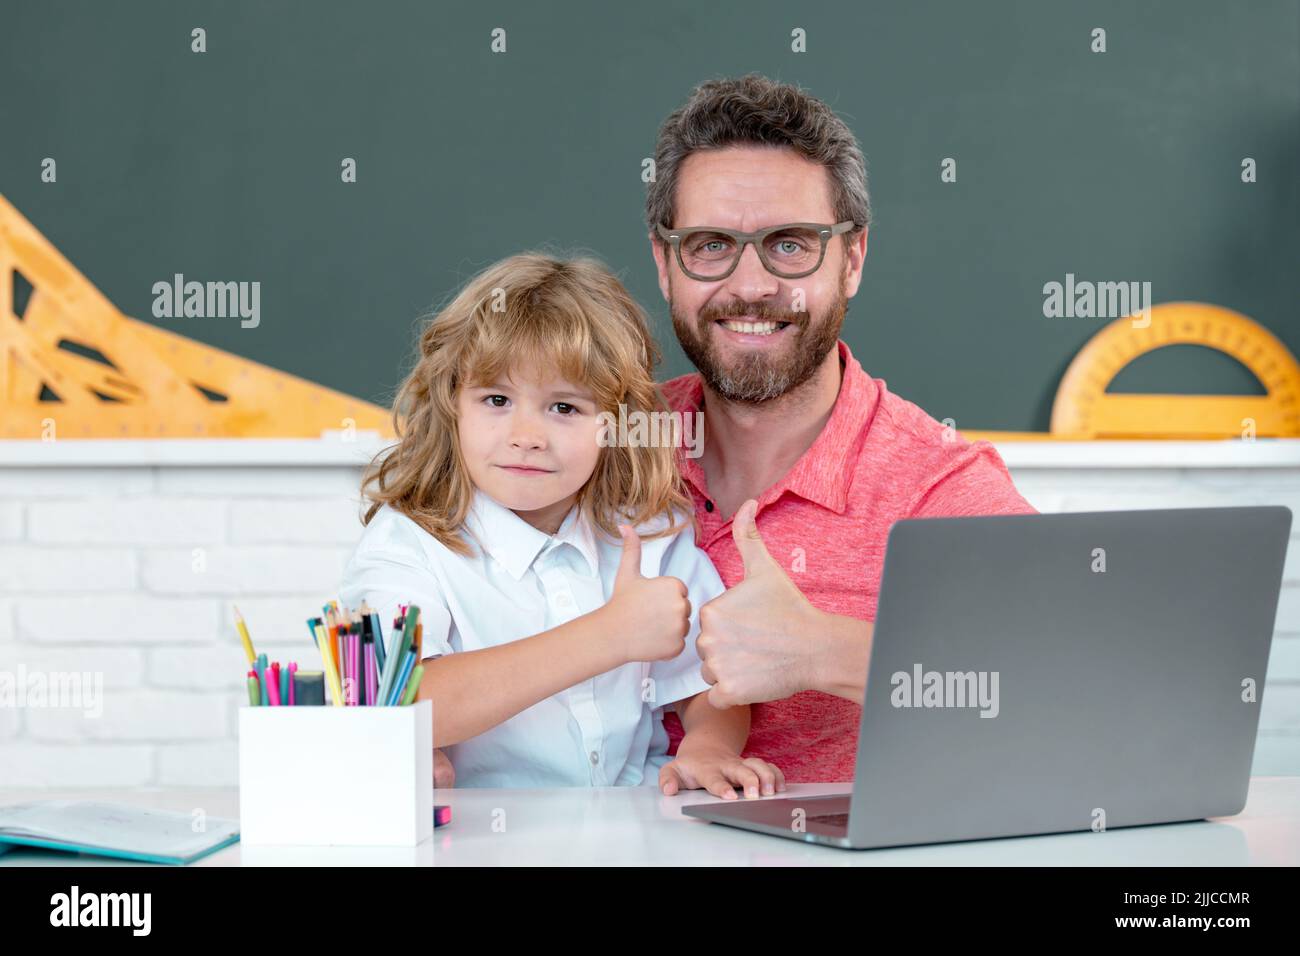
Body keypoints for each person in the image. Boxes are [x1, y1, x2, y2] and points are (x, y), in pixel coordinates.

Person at [340, 252, 784, 799]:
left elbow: (711, 683)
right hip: (484, 842)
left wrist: (708, 747)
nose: (527, 435)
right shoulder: (410, 542)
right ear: (452, 405)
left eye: (564, 408)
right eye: (497, 399)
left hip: (633, 829)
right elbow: (399, 703)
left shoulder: (649, 532)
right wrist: (608, 636)